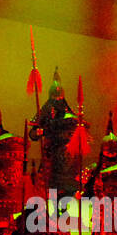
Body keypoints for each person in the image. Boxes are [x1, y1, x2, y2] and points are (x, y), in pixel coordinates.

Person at [27, 68, 79, 199]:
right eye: (55, 97)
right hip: (50, 152)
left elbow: (75, 128)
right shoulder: (45, 109)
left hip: (66, 155)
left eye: (59, 97)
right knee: (49, 186)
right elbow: (32, 133)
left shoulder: (68, 113)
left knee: (67, 186)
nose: (57, 100)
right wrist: (39, 132)